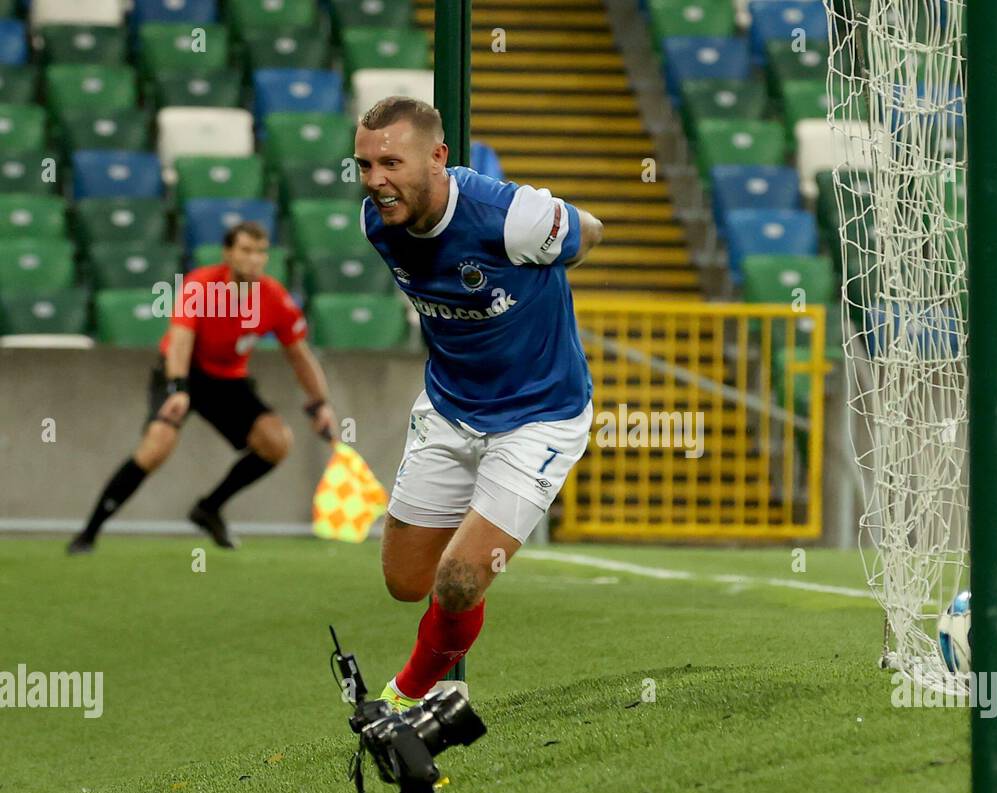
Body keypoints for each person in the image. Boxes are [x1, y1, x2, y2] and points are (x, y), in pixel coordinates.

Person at [353, 96, 604, 709]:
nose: (376, 181)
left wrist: (556, 234)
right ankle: (450, 623)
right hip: (449, 409)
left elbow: (590, 230)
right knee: (405, 583)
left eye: (391, 162)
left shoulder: (509, 217)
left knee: (459, 580)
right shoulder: (376, 223)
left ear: (438, 157)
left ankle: (402, 700)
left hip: (538, 419)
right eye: (364, 165)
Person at [68, 222, 338, 553]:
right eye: (246, 250)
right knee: (157, 446)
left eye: (260, 251)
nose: (254, 259)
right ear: (228, 253)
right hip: (183, 371)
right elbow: (181, 339)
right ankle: (89, 532)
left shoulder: (275, 299)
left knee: (276, 443)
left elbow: (299, 355)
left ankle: (208, 509)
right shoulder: (202, 285)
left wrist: (319, 404)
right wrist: (178, 387)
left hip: (227, 380)